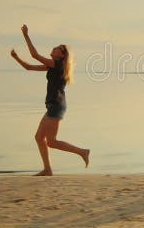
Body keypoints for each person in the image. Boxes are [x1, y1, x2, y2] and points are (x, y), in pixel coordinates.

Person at [10, 24, 89, 176]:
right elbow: (29, 67)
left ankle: (82, 152)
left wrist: (26, 35)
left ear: (62, 55)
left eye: (58, 48)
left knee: (51, 141)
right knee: (40, 138)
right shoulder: (52, 66)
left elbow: (35, 55)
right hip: (53, 106)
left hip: (56, 106)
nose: (54, 48)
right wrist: (16, 58)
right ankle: (47, 169)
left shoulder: (57, 64)